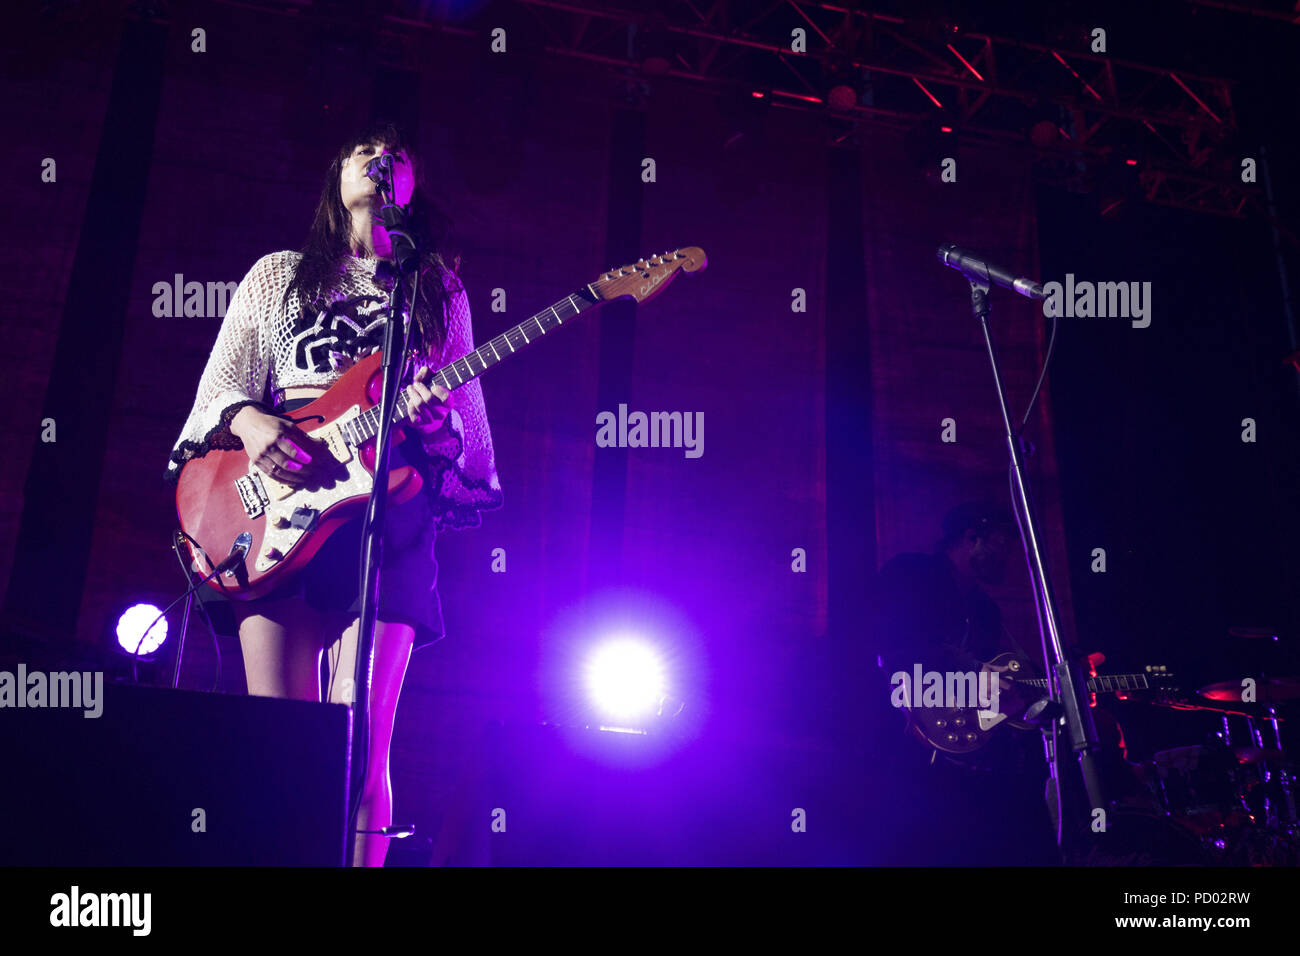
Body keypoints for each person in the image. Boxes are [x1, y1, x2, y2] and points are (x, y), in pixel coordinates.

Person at [165, 122, 503, 866]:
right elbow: (222, 386)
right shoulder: (278, 273)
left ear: (412, 188)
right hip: (283, 501)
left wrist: (436, 418)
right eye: (365, 153)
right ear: (336, 177)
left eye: (399, 157)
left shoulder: (437, 289)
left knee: (361, 739)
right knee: (281, 738)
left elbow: (463, 438)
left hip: (387, 505)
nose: (382, 164)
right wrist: (253, 424)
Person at [863, 501, 1058, 864]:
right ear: (971, 539)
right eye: (1000, 544)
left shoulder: (985, 609)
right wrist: (977, 673)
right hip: (903, 740)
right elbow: (897, 645)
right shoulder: (911, 573)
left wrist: (1043, 688)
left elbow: (1001, 682)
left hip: (965, 756)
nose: (1008, 555)